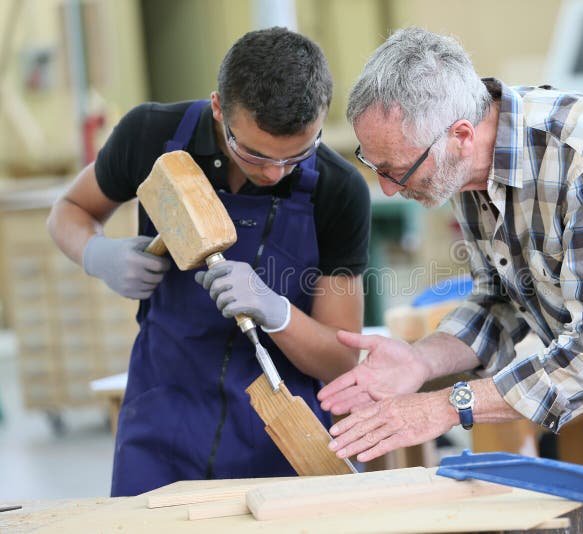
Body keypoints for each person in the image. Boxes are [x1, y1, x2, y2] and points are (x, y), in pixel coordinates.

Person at [318, 27, 583, 533]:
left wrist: (445, 407)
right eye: (374, 166)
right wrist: (421, 359)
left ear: (461, 135)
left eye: (397, 170)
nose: (389, 190)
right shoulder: (464, 168)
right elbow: (498, 301)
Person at [47, 27, 370, 497]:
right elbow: (69, 212)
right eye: (255, 154)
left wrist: (276, 312)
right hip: (160, 425)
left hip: (278, 437)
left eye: (298, 153)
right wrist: (97, 254)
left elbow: (340, 361)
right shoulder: (151, 136)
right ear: (219, 108)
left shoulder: (337, 191)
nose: (275, 172)